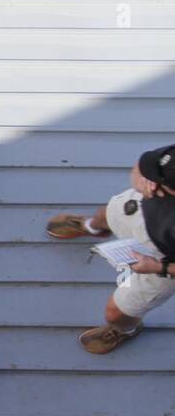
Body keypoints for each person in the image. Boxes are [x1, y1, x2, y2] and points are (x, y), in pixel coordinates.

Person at [46, 145, 175, 353]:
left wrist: (158, 267)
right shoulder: (169, 165)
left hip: (161, 260)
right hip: (138, 207)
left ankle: (124, 329)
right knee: (106, 214)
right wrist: (143, 177)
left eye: (157, 177)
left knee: (115, 313)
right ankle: (92, 227)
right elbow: (143, 165)